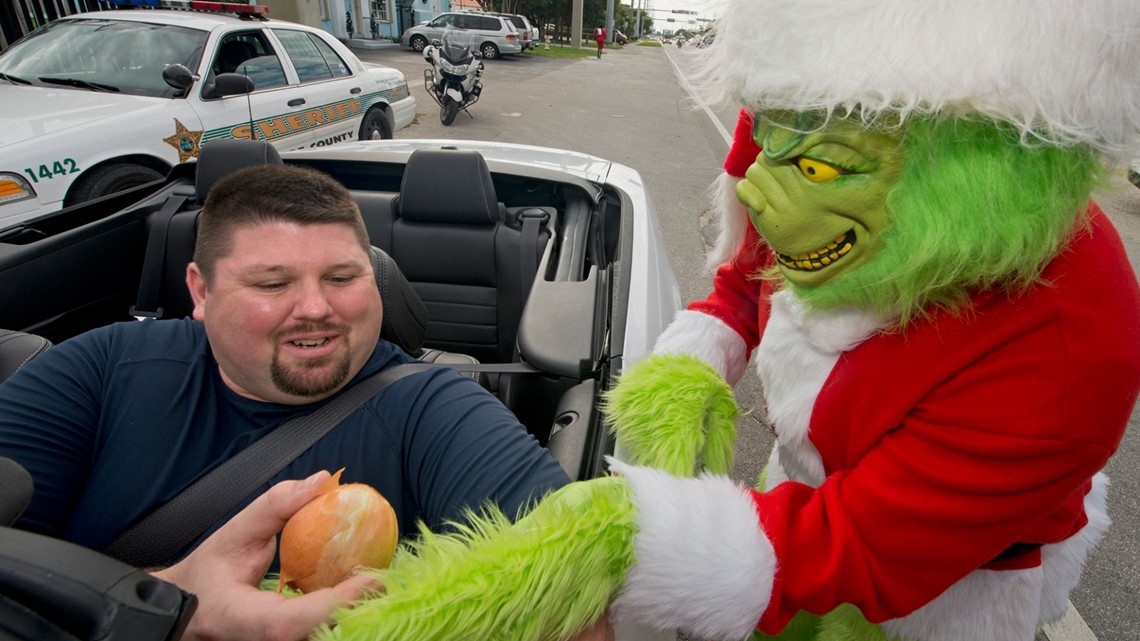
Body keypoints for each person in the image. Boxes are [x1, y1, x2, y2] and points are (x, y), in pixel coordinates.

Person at [274, 2, 1140, 641]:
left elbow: (860, 546)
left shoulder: (1069, 339)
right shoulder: (810, 120)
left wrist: (619, 540)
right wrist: (697, 357)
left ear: (975, 175)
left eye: (815, 164)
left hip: (943, 583)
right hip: (806, 491)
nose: (757, 185)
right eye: (769, 134)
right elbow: (749, 271)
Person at [0, 163, 609, 641]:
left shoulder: (437, 408)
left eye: (343, 278)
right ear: (201, 291)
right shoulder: (101, 366)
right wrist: (166, 607)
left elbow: (578, 611)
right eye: (273, 283)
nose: (317, 308)